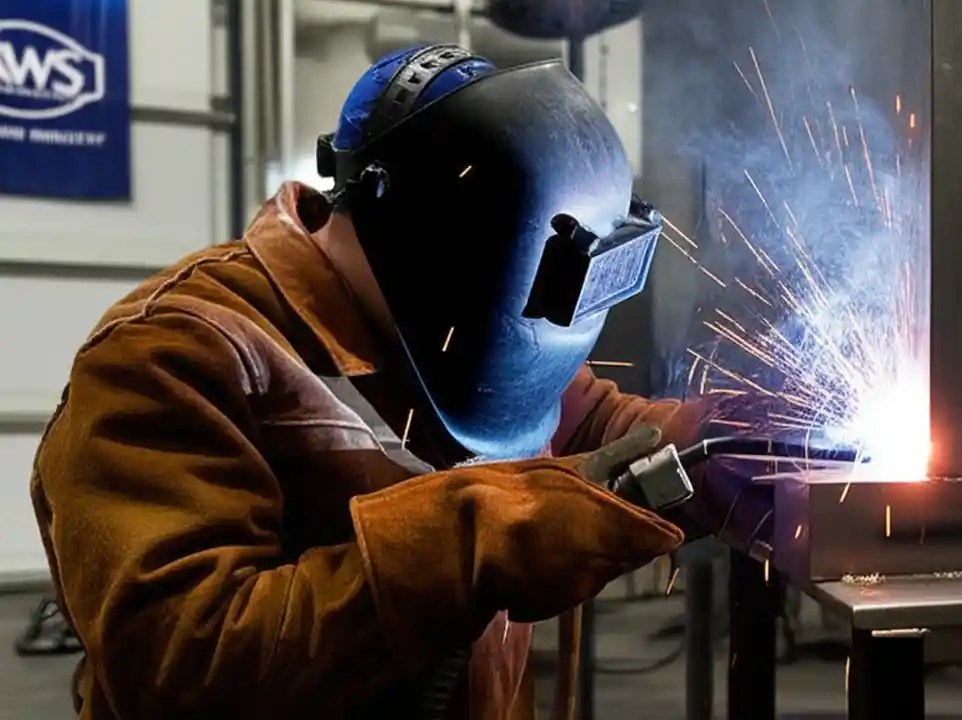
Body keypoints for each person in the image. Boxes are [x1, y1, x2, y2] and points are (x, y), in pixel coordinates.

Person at [29, 45, 750, 719]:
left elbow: (589, 424)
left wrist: (725, 439)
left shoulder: (484, 340)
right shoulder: (176, 352)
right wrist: (483, 542)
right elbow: (180, 662)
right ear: (439, 240)